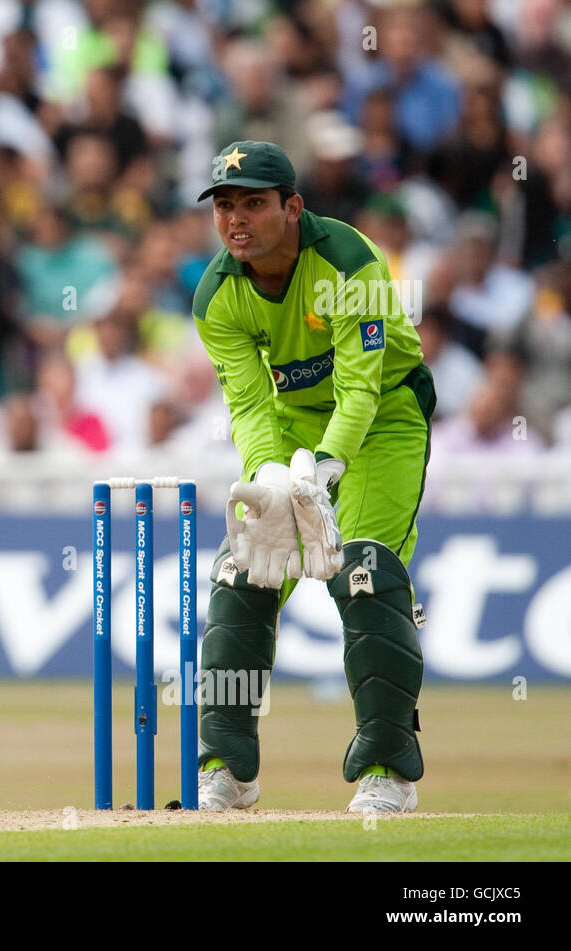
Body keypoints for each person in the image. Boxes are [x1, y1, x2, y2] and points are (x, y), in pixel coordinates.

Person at [192, 141, 434, 813]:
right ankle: (228, 768)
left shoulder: (347, 262)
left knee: (365, 571)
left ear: (292, 207)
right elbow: (248, 403)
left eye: (254, 204)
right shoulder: (216, 295)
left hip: (383, 419)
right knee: (243, 573)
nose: (235, 219)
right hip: (294, 425)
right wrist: (271, 475)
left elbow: (360, 389)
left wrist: (319, 474)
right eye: (224, 205)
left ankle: (389, 769)